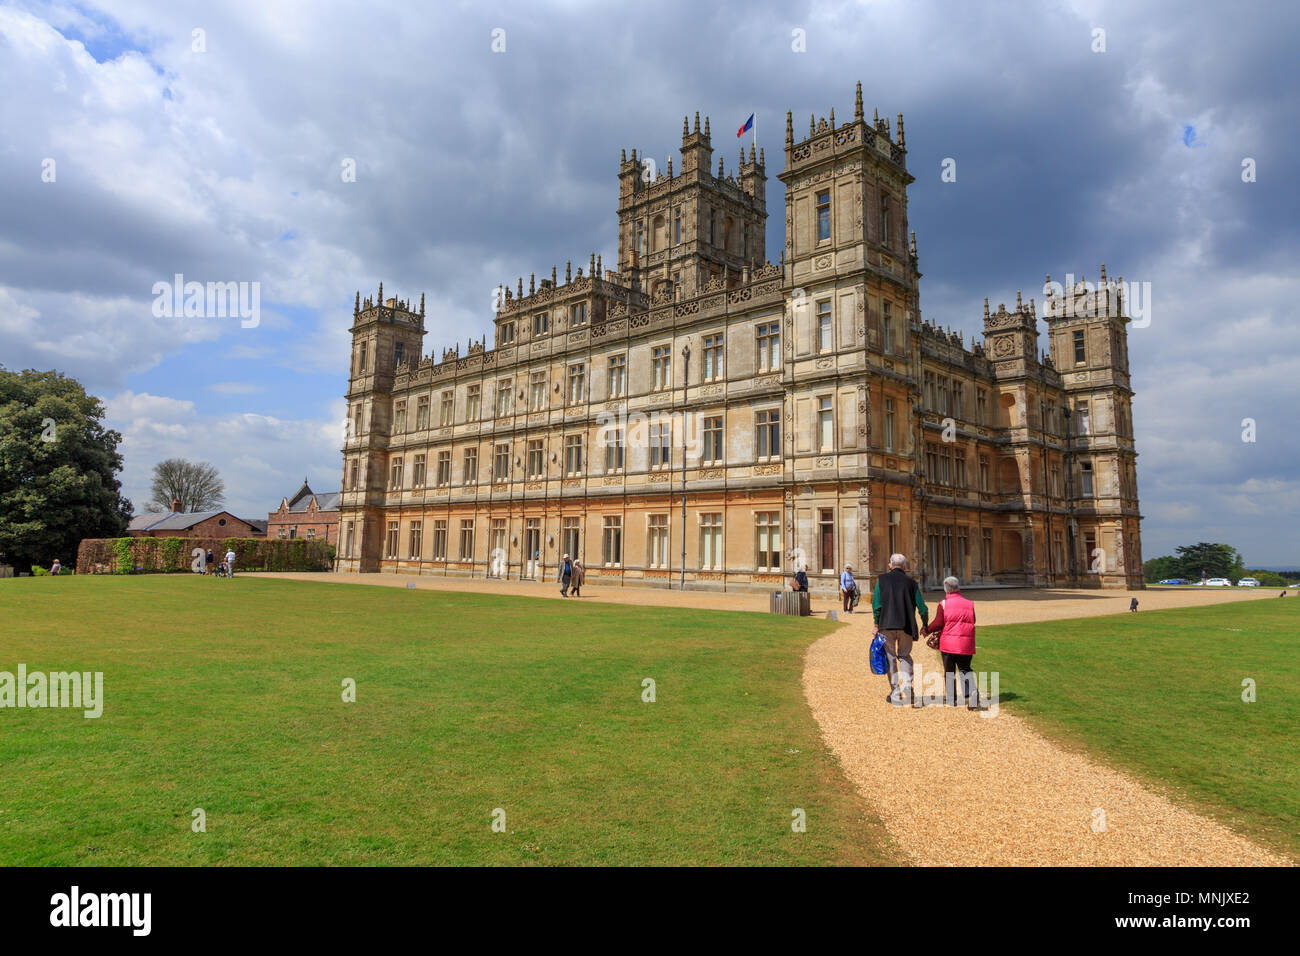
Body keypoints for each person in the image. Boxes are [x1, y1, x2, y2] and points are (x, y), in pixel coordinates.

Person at [871, 553, 929, 707]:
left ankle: (896, 692)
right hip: (906, 626)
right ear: (905, 566)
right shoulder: (911, 582)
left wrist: (876, 623)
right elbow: (922, 608)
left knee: (890, 657)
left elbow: (877, 604)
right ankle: (908, 686)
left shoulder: (881, 580)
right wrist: (925, 624)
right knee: (904, 656)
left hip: (886, 625)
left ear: (890, 565)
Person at [924, 576, 981, 709]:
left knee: (949, 671)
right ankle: (973, 692)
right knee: (965, 669)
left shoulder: (943, 604)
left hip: (948, 644)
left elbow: (938, 623)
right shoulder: (969, 604)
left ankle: (951, 699)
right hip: (966, 643)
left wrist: (926, 630)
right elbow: (974, 620)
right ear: (958, 588)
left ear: (946, 589)